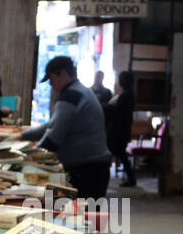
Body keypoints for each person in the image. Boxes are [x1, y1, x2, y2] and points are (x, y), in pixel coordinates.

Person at [12, 55, 112, 201]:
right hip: (95, 167)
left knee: (83, 218)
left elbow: (53, 138)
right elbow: (53, 124)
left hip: (86, 169)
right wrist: (22, 136)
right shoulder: (81, 91)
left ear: (63, 74)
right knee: (88, 216)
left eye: (52, 79)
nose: (51, 85)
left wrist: (24, 154)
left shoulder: (71, 96)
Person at [103, 69, 137, 187]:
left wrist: (106, 107)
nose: (119, 82)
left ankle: (104, 180)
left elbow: (118, 112)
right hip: (121, 130)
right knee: (121, 155)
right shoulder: (127, 95)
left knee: (110, 155)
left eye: (120, 80)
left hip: (119, 131)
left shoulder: (125, 96)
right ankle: (131, 179)